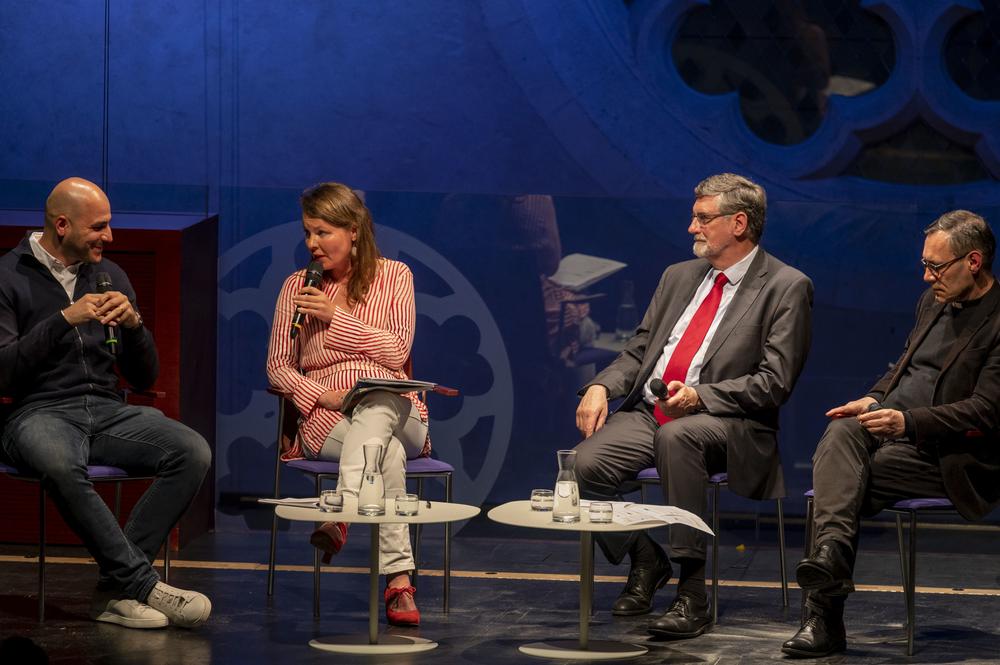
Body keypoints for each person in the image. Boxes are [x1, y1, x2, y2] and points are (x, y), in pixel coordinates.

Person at [573, 173, 813, 639]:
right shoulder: (678, 276)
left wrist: (701, 396)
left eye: (703, 218)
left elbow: (774, 382)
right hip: (652, 412)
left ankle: (692, 592)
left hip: (729, 423)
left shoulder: (786, 286)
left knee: (678, 435)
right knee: (582, 465)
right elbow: (640, 350)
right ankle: (647, 558)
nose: (691, 227)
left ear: (739, 223)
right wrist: (601, 386)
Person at [783, 210, 1000, 658]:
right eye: (925, 265)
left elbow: (988, 409)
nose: (926, 276)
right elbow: (903, 369)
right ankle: (832, 562)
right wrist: (874, 399)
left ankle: (822, 617)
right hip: (899, 432)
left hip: (955, 455)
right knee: (841, 430)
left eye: (936, 267)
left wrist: (909, 422)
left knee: (839, 486)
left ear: (974, 261)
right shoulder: (933, 303)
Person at [0, 178, 213, 629]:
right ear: (62, 225)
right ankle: (142, 584)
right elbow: (3, 370)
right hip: (38, 411)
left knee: (191, 451)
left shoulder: (110, 275)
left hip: (106, 407)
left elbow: (144, 377)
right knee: (59, 463)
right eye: (99, 227)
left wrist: (135, 326)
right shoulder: (7, 277)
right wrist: (63, 320)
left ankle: (117, 591)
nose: (109, 237)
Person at [266, 182, 429, 626]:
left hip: (401, 412)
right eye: (307, 234)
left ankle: (341, 507)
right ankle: (399, 584)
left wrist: (335, 318)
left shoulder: (395, 276)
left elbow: (395, 353)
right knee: (385, 454)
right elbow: (278, 368)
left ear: (353, 230)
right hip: (328, 419)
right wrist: (322, 395)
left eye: (322, 233)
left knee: (377, 396)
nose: (312, 244)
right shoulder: (296, 287)